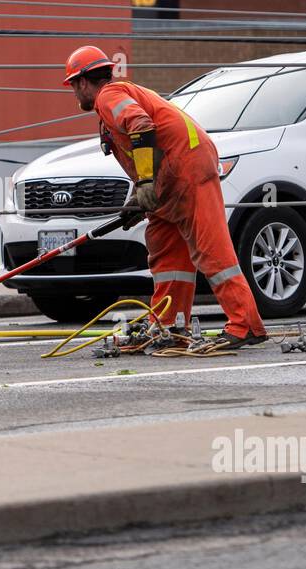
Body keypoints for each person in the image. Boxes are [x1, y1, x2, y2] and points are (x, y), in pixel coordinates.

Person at [63, 46, 267, 348]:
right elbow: (146, 149)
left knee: (210, 249)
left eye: (73, 87)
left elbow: (141, 126)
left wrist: (146, 182)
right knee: (166, 251)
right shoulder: (118, 96)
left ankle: (245, 325)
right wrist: (139, 193)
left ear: (82, 82)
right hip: (170, 175)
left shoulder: (108, 97)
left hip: (187, 167)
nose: (74, 94)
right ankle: (170, 327)